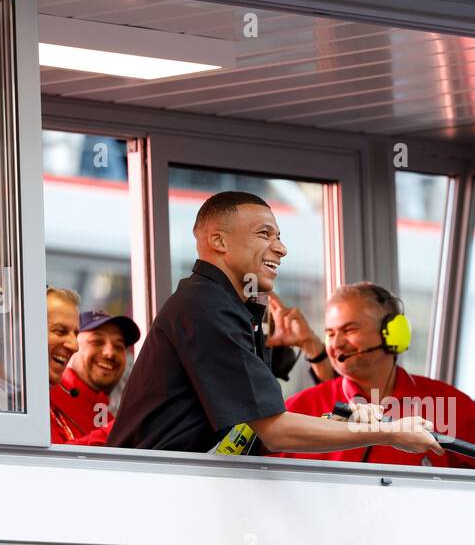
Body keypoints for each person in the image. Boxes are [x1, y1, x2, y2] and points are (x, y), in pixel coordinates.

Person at [107, 191, 439, 459]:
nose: (281, 248)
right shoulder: (205, 306)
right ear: (219, 242)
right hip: (155, 497)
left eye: (278, 236)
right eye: (264, 234)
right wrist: (390, 432)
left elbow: (251, 436)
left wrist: (334, 423)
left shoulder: (231, 307)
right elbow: (274, 430)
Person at [278, 282, 475, 468]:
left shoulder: (449, 404)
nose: (336, 343)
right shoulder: (300, 409)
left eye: (349, 330)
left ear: (393, 333)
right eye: (331, 333)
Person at [51, 310, 140, 446]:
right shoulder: (45, 399)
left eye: (119, 346)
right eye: (97, 342)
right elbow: (51, 461)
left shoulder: (108, 418)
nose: (110, 353)